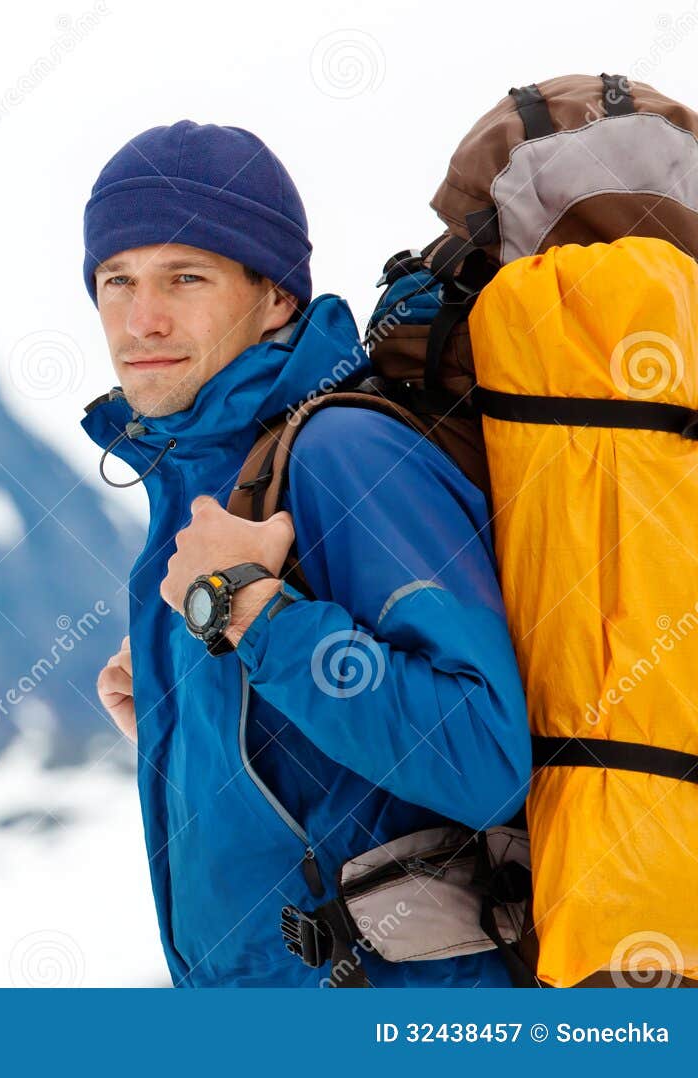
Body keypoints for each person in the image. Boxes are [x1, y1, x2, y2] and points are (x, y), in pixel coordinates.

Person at [81, 121, 531, 986]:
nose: (142, 319)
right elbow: (321, 783)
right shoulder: (199, 480)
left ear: (278, 297)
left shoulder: (344, 454)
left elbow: (482, 760)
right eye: (117, 281)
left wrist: (251, 611)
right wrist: (188, 726)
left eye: (186, 277)